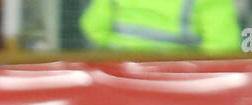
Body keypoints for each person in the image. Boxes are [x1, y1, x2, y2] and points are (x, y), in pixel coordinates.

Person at [79, 0, 240, 54]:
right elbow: (224, 47)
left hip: (122, 79)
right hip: (179, 85)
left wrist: (118, 45)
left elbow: (93, 25)